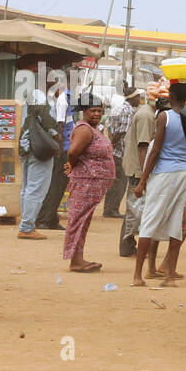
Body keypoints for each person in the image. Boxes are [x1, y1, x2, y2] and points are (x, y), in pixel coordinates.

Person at [132, 80, 186, 288]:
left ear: (171, 97)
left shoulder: (164, 116)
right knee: (175, 225)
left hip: (163, 174)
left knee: (149, 221)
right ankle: (169, 278)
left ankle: (138, 276)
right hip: (182, 175)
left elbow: (156, 150)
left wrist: (142, 181)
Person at [63, 93, 115, 271]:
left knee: (83, 220)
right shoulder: (84, 129)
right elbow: (72, 151)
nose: (97, 114)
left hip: (92, 183)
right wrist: (73, 164)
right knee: (78, 220)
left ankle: (78, 258)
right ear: (84, 111)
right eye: (93, 110)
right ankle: (75, 261)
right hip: (86, 182)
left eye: (100, 111)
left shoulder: (93, 128)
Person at [119, 88, 155, 258]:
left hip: (137, 168)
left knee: (134, 208)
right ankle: (127, 245)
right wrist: (144, 175)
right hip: (137, 169)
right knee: (135, 210)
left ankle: (127, 245)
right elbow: (143, 146)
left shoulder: (146, 113)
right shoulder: (146, 116)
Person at [16, 91, 56, 239]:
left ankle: (26, 225)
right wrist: (56, 137)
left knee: (27, 189)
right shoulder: (41, 99)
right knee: (36, 189)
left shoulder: (26, 99)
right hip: (39, 149)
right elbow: (48, 121)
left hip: (25, 147)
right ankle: (27, 227)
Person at [35, 80, 72, 230]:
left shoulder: (64, 98)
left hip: (64, 146)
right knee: (56, 183)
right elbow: (60, 124)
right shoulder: (63, 99)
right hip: (62, 148)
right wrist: (60, 147)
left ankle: (50, 218)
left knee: (59, 183)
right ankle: (45, 219)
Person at [102, 92, 135, 217]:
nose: (140, 100)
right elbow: (122, 131)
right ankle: (112, 209)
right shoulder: (127, 110)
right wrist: (113, 144)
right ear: (132, 98)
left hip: (116, 150)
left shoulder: (119, 108)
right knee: (120, 181)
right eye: (138, 97)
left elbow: (110, 126)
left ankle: (109, 208)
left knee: (114, 181)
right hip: (121, 151)